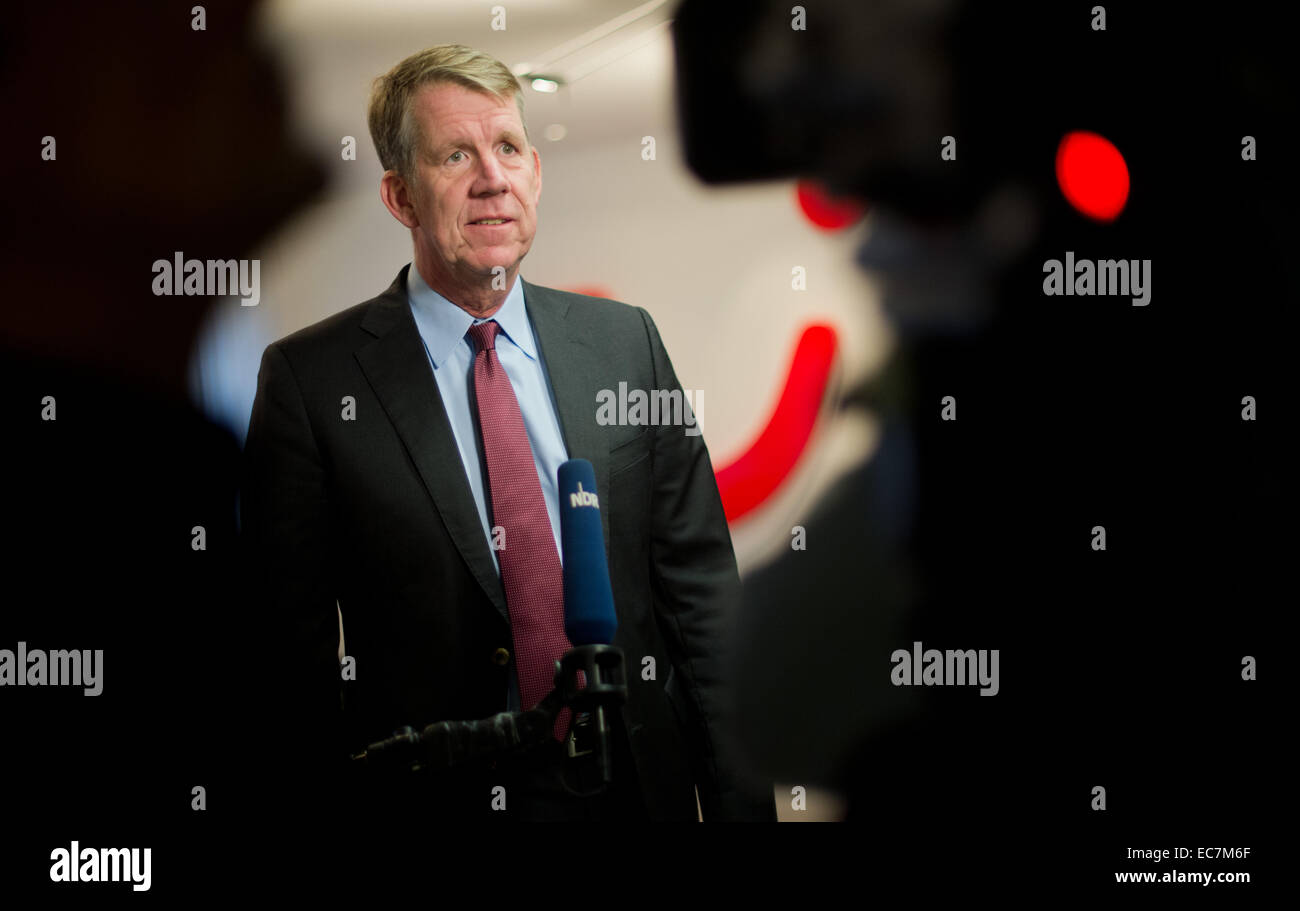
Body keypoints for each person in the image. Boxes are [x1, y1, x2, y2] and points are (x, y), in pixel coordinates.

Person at [241, 44, 775, 823]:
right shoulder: (310, 383)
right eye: (456, 155)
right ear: (400, 196)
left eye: (509, 149)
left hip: (633, 791)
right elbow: (288, 672)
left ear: (534, 172)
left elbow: (704, 608)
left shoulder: (625, 342)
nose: (492, 178)